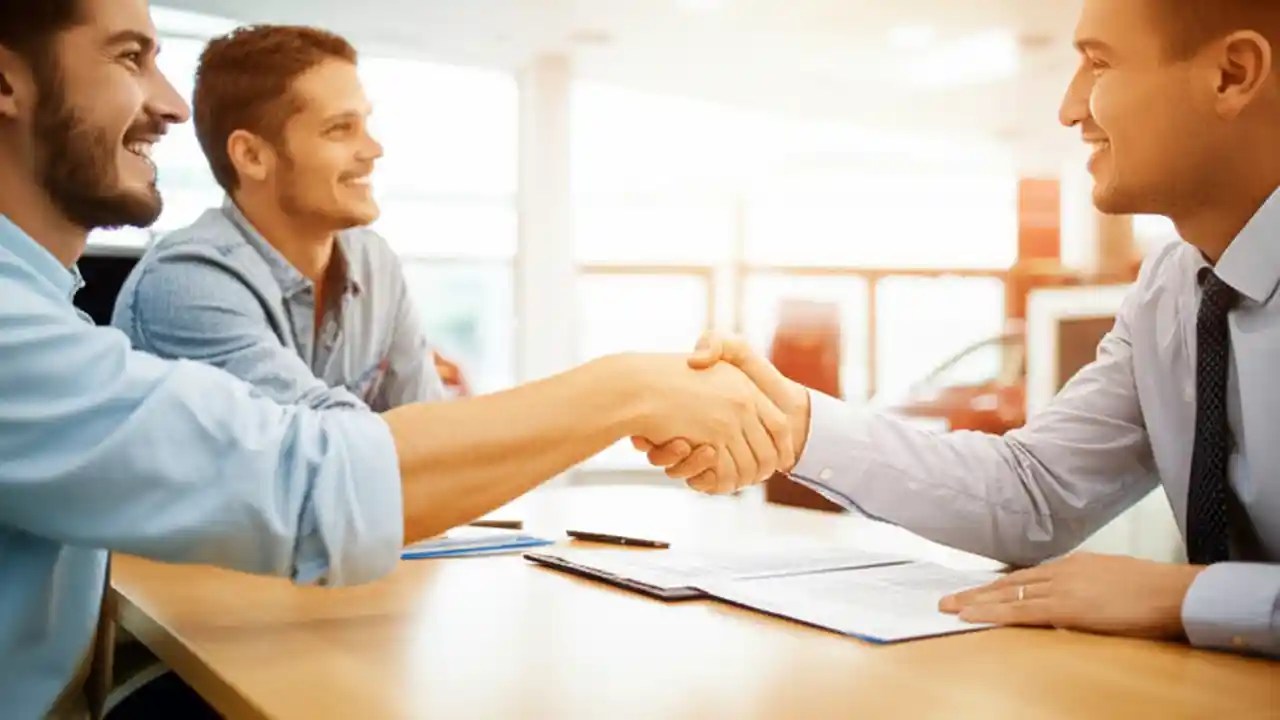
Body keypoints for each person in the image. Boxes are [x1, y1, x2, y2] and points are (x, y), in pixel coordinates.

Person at [0, 1, 793, 715]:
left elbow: (418, 443)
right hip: (198, 657)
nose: (168, 102)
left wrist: (431, 443)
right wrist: (630, 390)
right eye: (130, 57)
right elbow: (325, 478)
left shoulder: (46, 302)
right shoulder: (159, 289)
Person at [644, 0, 1280, 658]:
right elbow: (1036, 492)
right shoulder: (1170, 290)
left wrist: (1183, 597)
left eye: (1098, 64)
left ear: (1232, 74)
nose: (1069, 108)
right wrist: (795, 423)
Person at [113, 25, 450, 412]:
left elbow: (431, 426)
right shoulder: (184, 283)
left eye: (365, 123)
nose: (373, 149)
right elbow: (325, 453)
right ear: (252, 156)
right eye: (341, 129)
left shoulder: (375, 263)